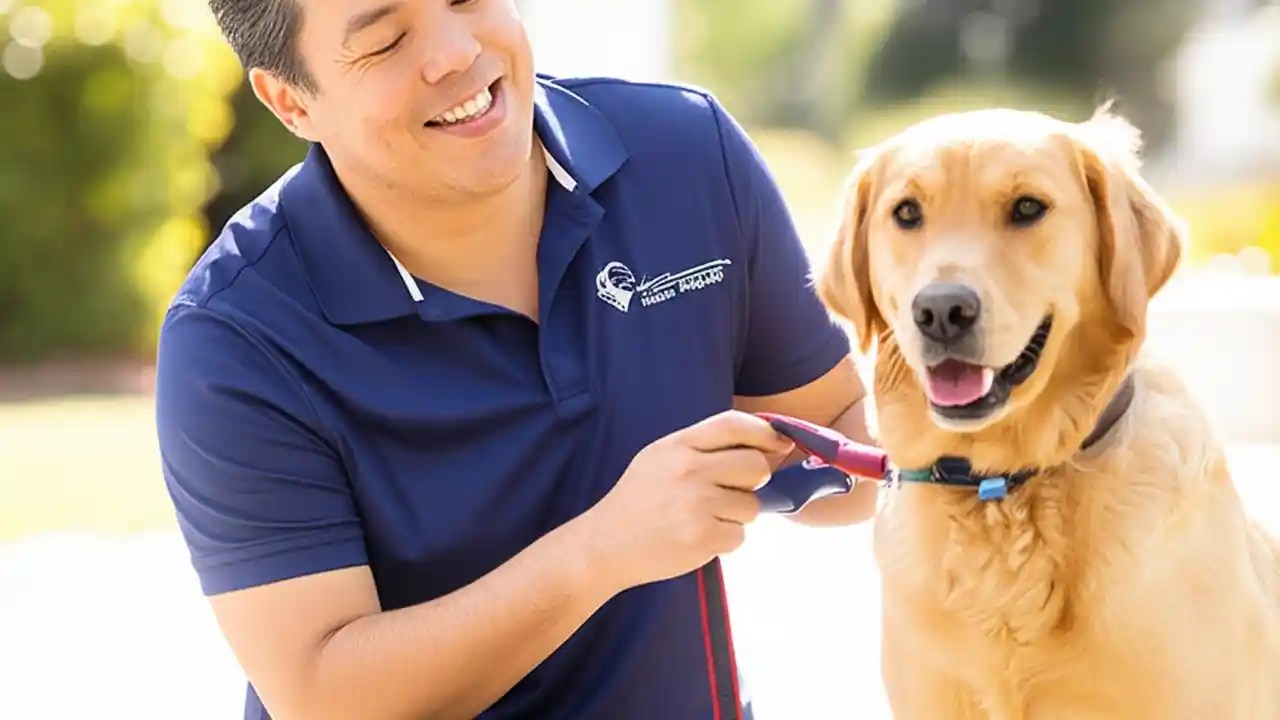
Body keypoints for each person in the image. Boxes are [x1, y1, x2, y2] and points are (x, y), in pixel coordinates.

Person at [155, 1, 878, 718]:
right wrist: (601, 551)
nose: (454, 52)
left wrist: (963, 405)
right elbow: (324, 697)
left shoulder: (686, 153)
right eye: (386, 41)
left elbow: (845, 441)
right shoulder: (234, 340)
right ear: (291, 103)